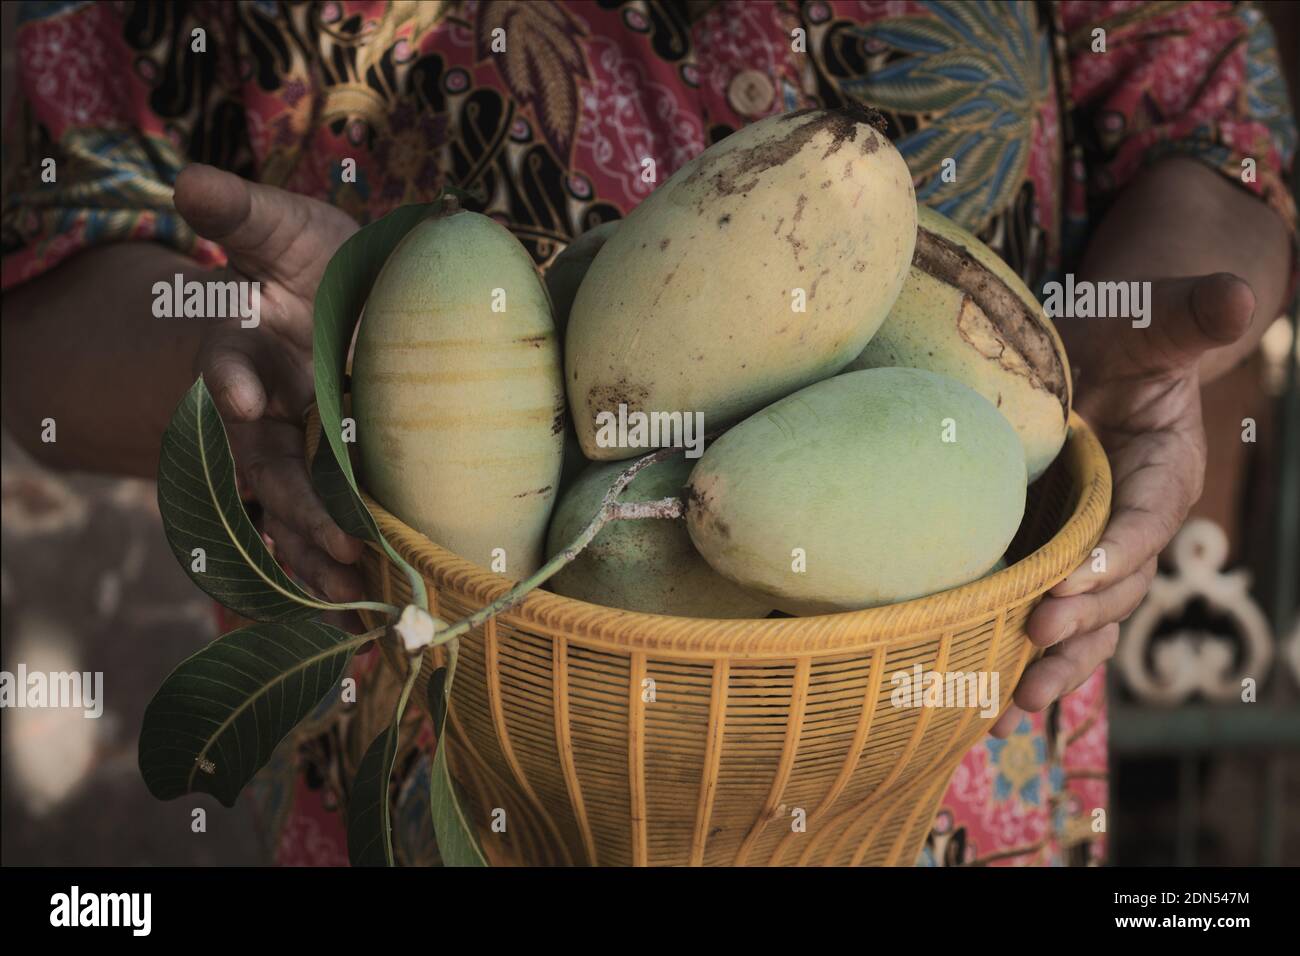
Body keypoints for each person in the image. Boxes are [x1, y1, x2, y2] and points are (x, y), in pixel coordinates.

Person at [2, 0, 1294, 866]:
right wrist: (265, 374)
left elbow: (1211, 125)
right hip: (445, 766)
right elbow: (45, 251)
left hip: (950, 763)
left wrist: (1124, 352)